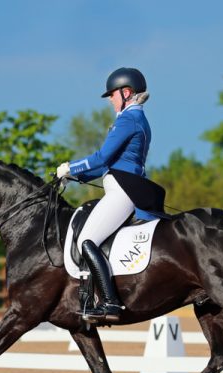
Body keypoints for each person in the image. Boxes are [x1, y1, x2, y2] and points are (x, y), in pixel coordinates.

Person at [56, 67, 166, 323]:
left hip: (123, 190)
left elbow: (102, 157)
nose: (110, 100)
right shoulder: (134, 118)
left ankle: (110, 301)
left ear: (126, 92)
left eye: (113, 95)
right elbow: (109, 165)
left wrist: (69, 167)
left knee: (86, 240)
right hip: (122, 184)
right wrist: (78, 177)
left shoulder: (128, 119)